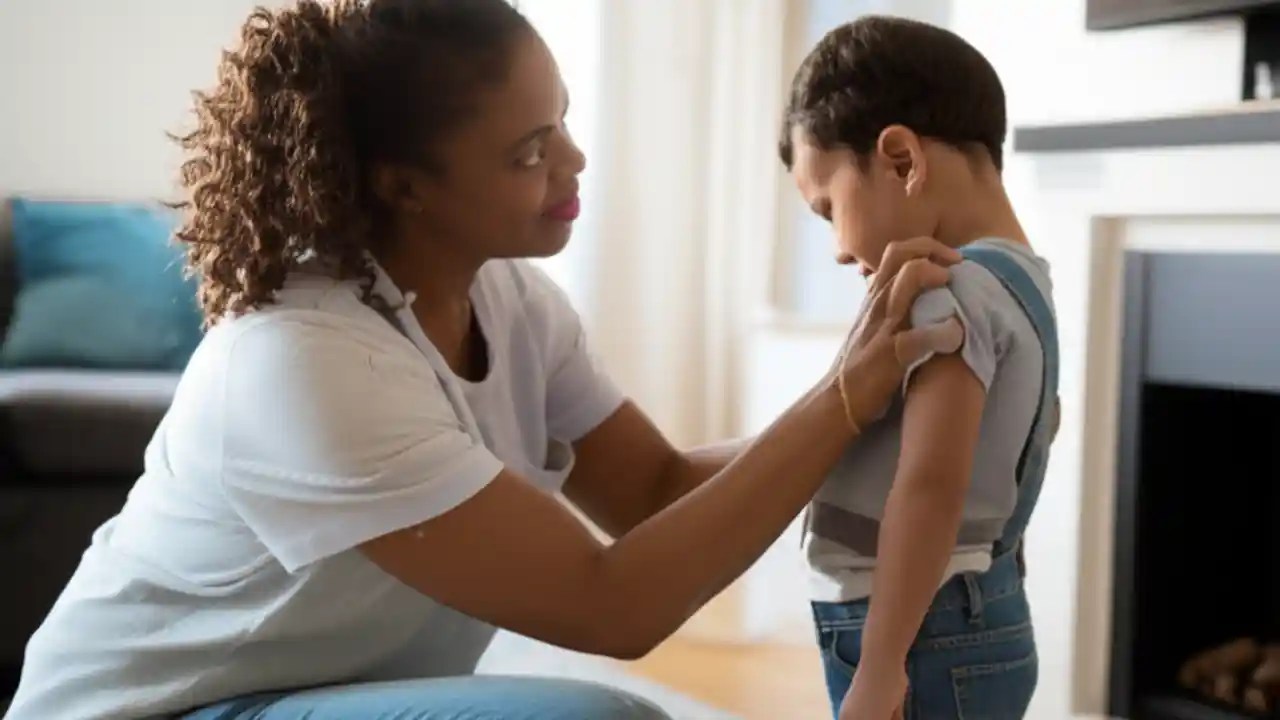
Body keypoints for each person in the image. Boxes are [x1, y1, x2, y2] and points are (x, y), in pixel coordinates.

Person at [4, 2, 966, 719]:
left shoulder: (509, 302)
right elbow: (613, 606)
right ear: (403, 185)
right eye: (530, 152)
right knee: (598, 719)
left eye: (564, 123)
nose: (576, 163)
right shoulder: (303, 362)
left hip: (297, 694)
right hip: (155, 712)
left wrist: (879, 399)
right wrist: (844, 396)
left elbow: (660, 492)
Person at [779, 15, 1060, 720]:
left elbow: (930, 485)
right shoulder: (1024, 284)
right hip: (969, 614)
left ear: (902, 161)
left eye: (828, 208)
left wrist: (878, 671)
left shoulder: (947, 287)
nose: (840, 251)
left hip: (917, 636)